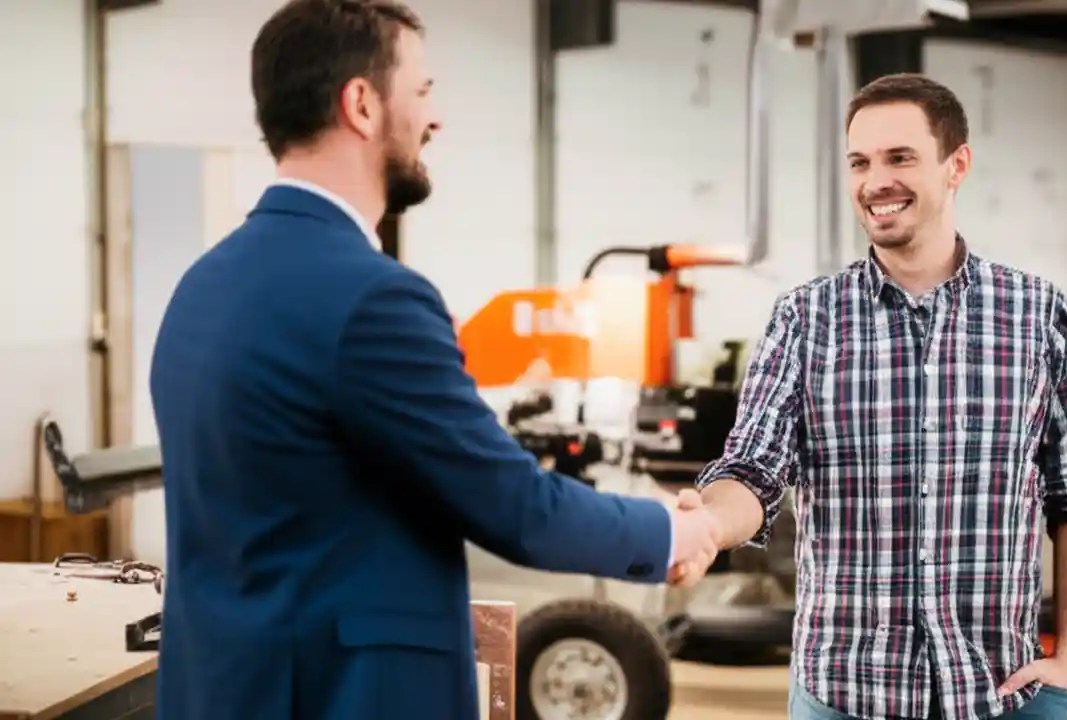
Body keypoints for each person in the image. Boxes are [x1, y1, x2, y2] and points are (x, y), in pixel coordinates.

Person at [147, 2, 719, 719]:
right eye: (422, 92)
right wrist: (674, 529)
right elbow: (516, 507)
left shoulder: (202, 285)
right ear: (361, 102)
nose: (435, 117)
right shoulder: (371, 297)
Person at [677, 73, 1067, 720]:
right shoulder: (807, 319)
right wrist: (707, 525)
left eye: (900, 158)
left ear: (957, 166)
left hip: (1000, 693)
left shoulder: (1035, 316)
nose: (874, 181)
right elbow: (753, 469)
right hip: (847, 694)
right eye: (860, 162)